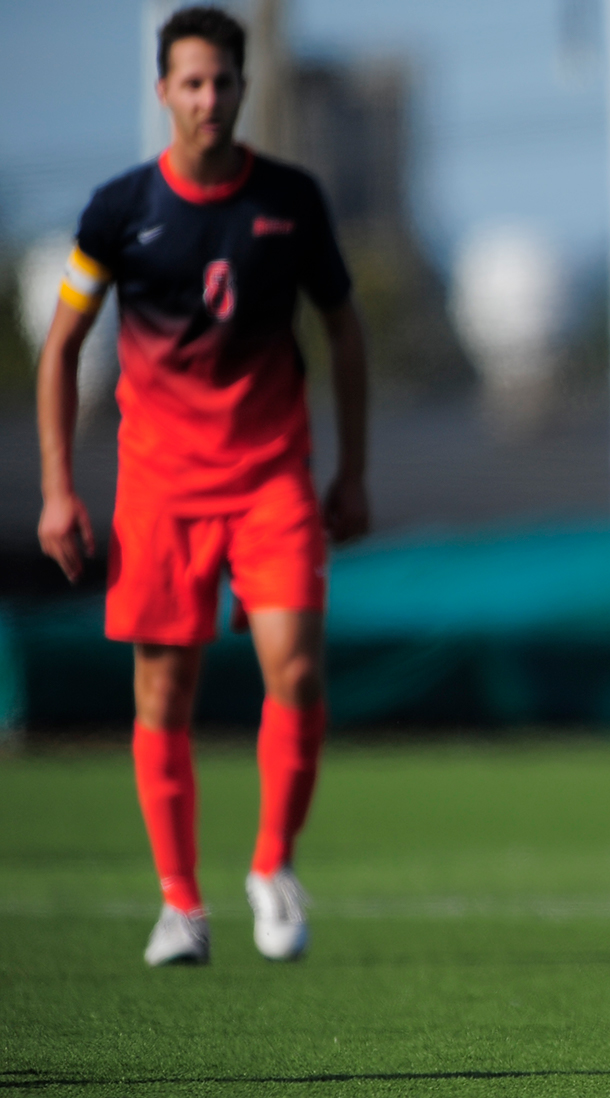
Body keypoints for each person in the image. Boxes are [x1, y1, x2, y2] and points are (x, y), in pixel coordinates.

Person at [36, 5, 368, 967]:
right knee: (163, 691)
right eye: (191, 82)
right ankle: (181, 902)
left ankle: (272, 865)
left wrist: (353, 471)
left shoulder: (292, 201)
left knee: (296, 670)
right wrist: (59, 488)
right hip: (161, 489)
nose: (208, 97)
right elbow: (60, 348)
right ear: (163, 92)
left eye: (223, 80)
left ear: (242, 86)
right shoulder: (118, 209)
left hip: (272, 478)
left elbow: (345, 331)